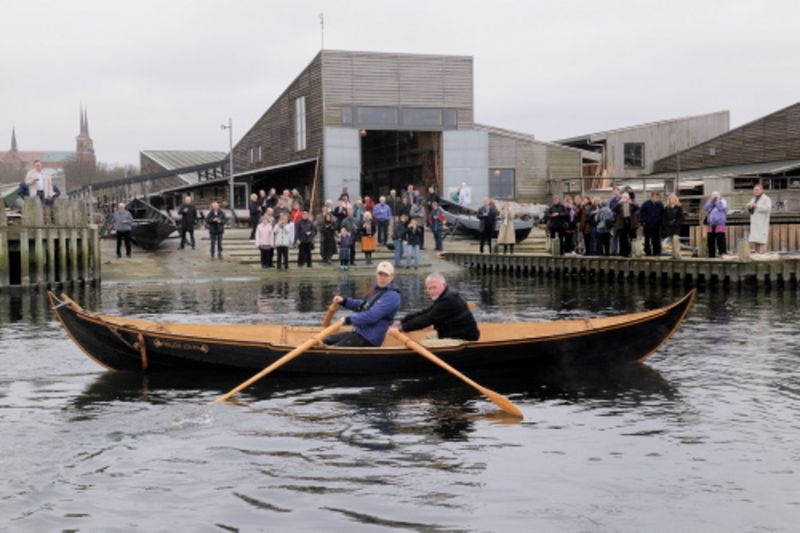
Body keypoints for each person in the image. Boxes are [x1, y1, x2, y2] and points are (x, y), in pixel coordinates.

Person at [324, 261, 401, 347]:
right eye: (380, 274)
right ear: (376, 275)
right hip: (360, 332)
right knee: (326, 340)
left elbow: (372, 316)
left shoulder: (392, 296)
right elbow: (363, 305)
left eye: (385, 275)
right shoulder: (376, 290)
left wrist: (348, 320)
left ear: (392, 277)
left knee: (335, 348)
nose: (382, 278)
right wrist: (344, 301)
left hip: (371, 338)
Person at [392, 272, 479, 342]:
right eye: (429, 288)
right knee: (425, 339)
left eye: (434, 287)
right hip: (451, 334)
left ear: (444, 285)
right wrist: (402, 322)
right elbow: (425, 312)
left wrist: (402, 328)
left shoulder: (448, 300)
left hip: (464, 339)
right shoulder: (445, 296)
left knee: (424, 345)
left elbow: (427, 319)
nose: (432, 291)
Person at [747, 184, 772, 254]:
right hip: (754, 222)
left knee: (762, 240)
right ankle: (756, 255)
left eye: (757, 190)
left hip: (762, 223)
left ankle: (762, 255)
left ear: (762, 190)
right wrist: (749, 207)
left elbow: (768, 209)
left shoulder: (766, 198)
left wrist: (757, 206)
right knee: (755, 240)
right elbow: (751, 211)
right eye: (754, 190)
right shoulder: (753, 199)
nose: (756, 191)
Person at [638, 192, 665, 257]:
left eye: (658, 198)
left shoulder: (660, 204)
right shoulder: (646, 204)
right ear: (652, 197)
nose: (657, 199)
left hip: (656, 225)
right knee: (647, 239)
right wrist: (643, 221)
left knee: (656, 239)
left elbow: (663, 213)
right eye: (656, 197)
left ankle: (656, 252)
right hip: (648, 224)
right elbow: (640, 213)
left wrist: (661, 221)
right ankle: (648, 252)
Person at [613, 192, 639, 257]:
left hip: (631, 223)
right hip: (622, 223)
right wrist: (619, 203)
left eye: (626, 197)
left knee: (632, 238)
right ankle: (624, 252)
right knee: (623, 238)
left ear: (628, 198)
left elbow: (638, 207)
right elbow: (614, 209)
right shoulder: (619, 204)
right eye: (623, 197)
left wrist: (631, 203)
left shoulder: (631, 203)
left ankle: (633, 252)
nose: (624, 198)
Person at [704, 191, 728, 258]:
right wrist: (711, 201)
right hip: (710, 223)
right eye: (713, 195)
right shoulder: (711, 202)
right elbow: (705, 208)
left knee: (720, 238)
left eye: (716, 195)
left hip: (720, 223)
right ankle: (711, 254)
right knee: (710, 239)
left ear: (719, 195)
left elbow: (721, 208)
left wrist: (717, 200)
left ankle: (722, 253)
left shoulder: (723, 201)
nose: (714, 196)